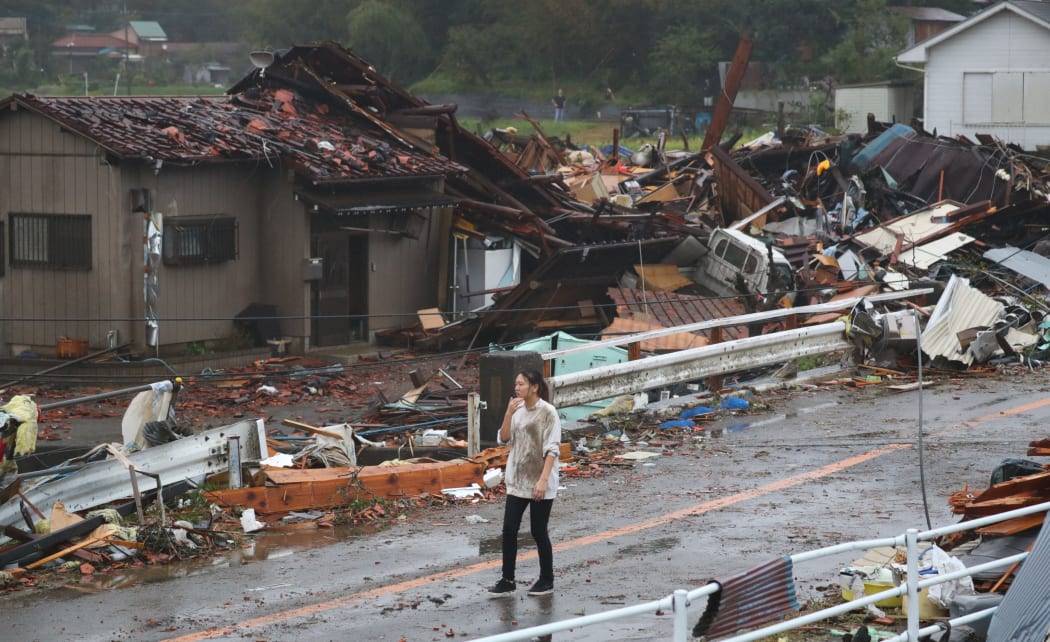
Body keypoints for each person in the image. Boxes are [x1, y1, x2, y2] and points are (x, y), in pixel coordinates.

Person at [487, 369, 562, 598]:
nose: (516, 388)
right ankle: (508, 579)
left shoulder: (548, 413)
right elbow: (504, 437)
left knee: (538, 531)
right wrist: (508, 413)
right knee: (509, 529)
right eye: (516, 384)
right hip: (518, 480)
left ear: (534, 387)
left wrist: (542, 481)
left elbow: (552, 450)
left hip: (540, 481)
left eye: (521, 384)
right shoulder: (517, 410)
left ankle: (546, 579)